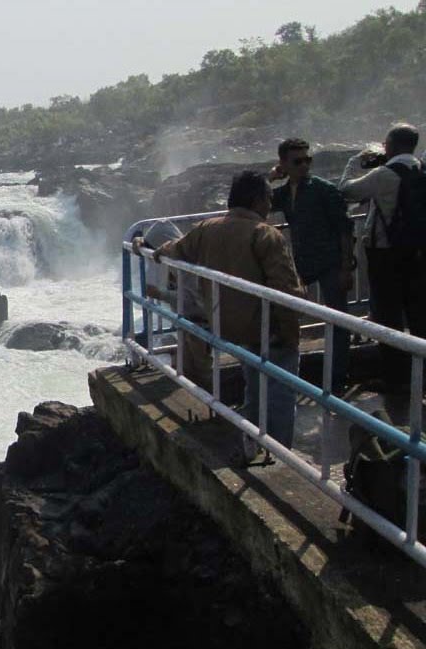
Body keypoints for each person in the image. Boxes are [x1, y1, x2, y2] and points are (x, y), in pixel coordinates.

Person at [143, 171, 306, 458]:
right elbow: (286, 292)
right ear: (257, 200)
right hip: (268, 329)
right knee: (280, 394)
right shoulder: (265, 234)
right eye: (269, 198)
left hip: (228, 327)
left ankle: (252, 443)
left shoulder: (207, 228)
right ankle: (281, 457)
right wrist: (294, 328)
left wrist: (152, 251)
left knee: (254, 390)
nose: (270, 205)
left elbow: (175, 249)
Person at [338, 123, 425, 391]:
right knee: (419, 315)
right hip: (418, 254)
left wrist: (355, 161)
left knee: (389, 319)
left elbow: (347, 190)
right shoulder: (421, 169)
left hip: (386, 257)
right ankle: (422, 376)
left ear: (392, 145)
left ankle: (397, 380)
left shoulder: (385, 174)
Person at [269, 137, 356, 389]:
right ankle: (287, 373)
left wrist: (346, 267)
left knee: (338, 321)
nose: (305, 165)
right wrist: (270, 176)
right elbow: (254, 201)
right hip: (302, 263)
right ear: (283, 164)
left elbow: (345, 229)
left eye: (308, 160)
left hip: (330, 263)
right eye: (297, 161)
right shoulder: (284, 193)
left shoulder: (323, 189)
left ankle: (338, 378)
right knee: (282, 313)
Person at [142, 219, 213, 390]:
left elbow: (197, 300)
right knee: (187, 364)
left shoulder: (187, 265)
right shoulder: (173, 256)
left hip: (199, 321)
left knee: (200, 367)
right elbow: (148, 248)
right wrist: (139, 243)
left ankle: (208, 399)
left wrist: (162, 295)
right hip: (187, 320)